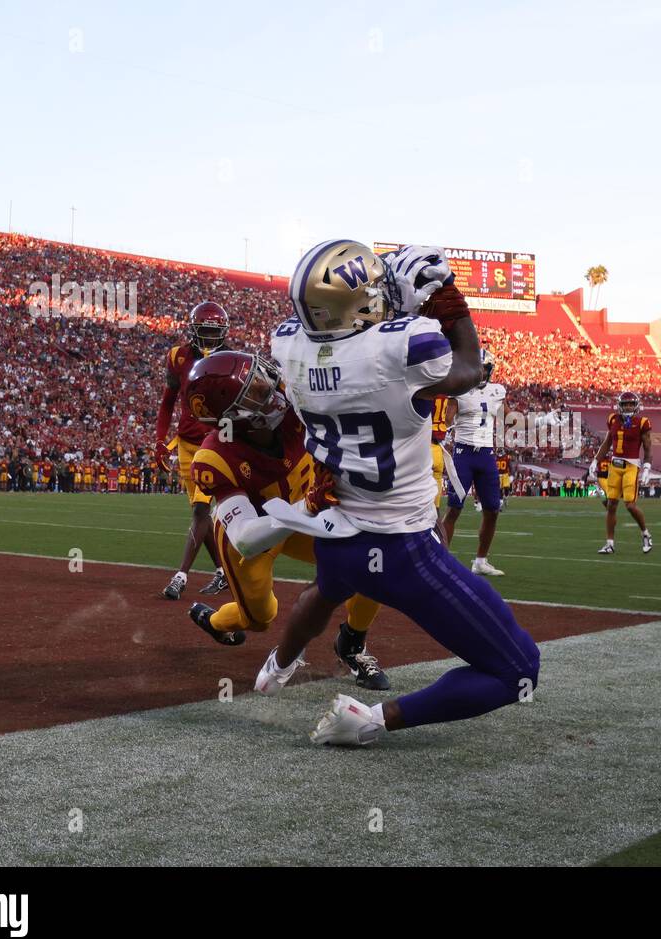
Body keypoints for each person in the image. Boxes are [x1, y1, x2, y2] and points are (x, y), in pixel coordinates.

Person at [264, 240, 539, 745]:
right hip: (399, 549)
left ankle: (275, 667)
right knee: (518, 669)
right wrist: (450, 302)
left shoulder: (289, 344)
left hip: (338, 530)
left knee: (326, 591)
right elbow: (469, 370)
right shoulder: (403, 346)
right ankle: (365, 721)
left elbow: (345, 345)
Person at [182, 350, 390, 690]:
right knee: (260, 618)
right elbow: (247, 538)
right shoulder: (215, 456)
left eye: (263, 378)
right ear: (233, 417)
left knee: (372, 556)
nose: (273, 389)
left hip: (307, 512)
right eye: (257, 391)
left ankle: (352, 643)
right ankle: (217, 622)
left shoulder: (297, 405)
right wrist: (306, 507)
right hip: (255, 537)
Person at [156, 301, 230, 600]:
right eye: (206, 332)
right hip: (186, 444)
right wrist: (160, 441)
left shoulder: (231, 360)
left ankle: (180, 574)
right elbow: (167, 401)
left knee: (201, 509)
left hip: (215, 442)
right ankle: (224, 572)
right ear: (194, 330)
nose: (211, 339)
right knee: (200, 514)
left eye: (216, 333)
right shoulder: (178, 356)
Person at [441, 349, 507, 576]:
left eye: (484, 370)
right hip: (463, 453)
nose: (480, 374)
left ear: (490, 371)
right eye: (476, 369)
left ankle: (480, 561)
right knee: (454, 508)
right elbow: (447, 419)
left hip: (486, 455)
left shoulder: (498, 391)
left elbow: (508, 419)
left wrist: (539, 420)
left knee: (492, 509)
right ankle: (442, 560)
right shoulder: (458, 391)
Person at [590, 391, 654, 553]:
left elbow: (648, 448)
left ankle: (645, 534)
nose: (628, 407)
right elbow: (607, 443)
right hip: (615, 466)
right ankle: (610, 544)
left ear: (636, 405)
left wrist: (647, 467)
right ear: (620, 405)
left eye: (631, 404)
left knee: (630, 505)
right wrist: (596, 460)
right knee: (611, 505)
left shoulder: (642, 422)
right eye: (625, 404)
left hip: (631, 466)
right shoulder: (613, 420)